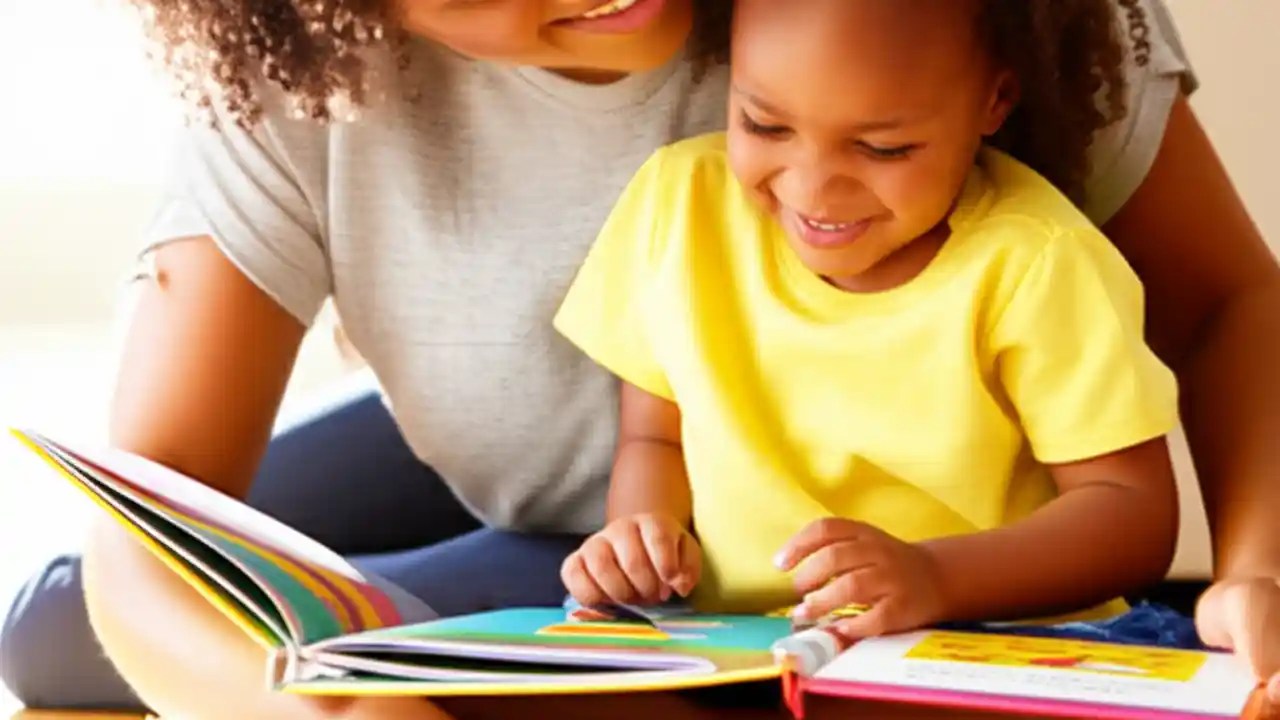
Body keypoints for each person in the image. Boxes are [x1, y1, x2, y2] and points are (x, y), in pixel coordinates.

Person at [0, 0, 1276, 717]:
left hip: (713, 541)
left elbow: (1224, 301)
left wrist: (1252, 572)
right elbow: (153, 496)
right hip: (529, 454)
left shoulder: (938, 26)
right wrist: (341, 710)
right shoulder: (299, 79)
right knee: (67, 625)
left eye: (876, 150)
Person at [558, 0, 1183, 639]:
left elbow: (1131, 516)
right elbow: (655, 439)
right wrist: (640, 533)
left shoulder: (1037, 262)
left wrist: (936, 578)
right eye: (764, 125)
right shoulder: (681, 205)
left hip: (993, 640)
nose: (813, 188)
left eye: (882, 147)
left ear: (994, 100)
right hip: (741, 644)